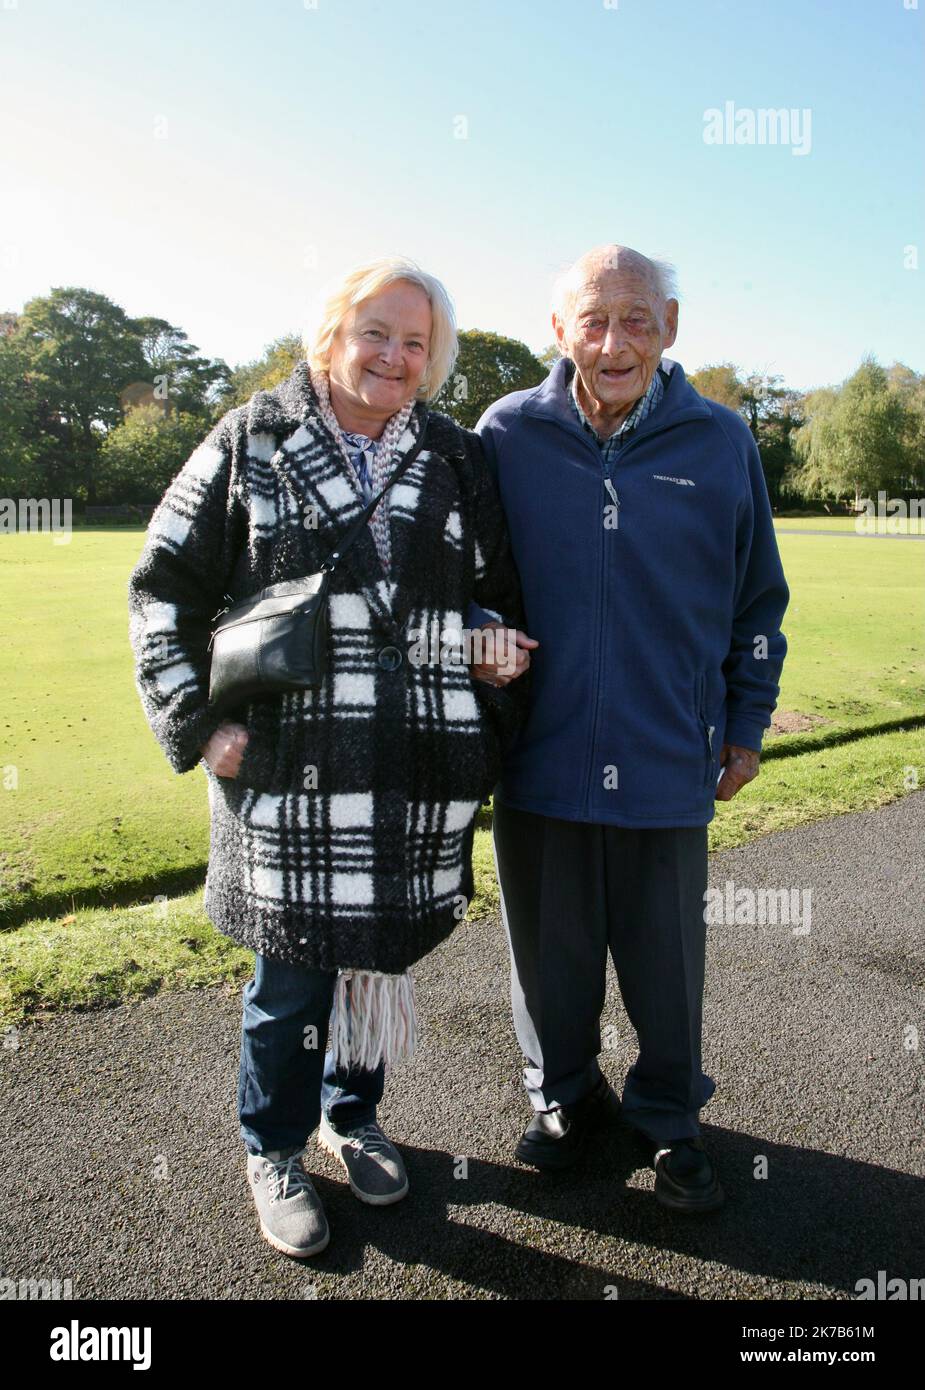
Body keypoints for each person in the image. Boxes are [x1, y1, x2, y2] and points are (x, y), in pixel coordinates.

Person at [128, 256, 530, 1257]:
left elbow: (494, 591)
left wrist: (492, 644)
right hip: (288, 771)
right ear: (332, 335)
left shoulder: (453, 455)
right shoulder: (252, 436)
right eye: (376, 333)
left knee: (376, 960)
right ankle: (272, 1145)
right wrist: (197, 722)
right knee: (292, 980)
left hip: (413, 764)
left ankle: (351, 1117)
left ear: (432, 358)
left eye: (415, 341)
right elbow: (161, 588)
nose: (394, 355)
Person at [474, 243, 790, 1213]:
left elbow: (759, 602)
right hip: (539, 757)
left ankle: (667, 1115)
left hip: (666, 756)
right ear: (559, 329)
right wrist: (482, 639)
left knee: (665, 964)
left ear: (670, 328)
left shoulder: (720, 440)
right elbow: (473, 587)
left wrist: (745, 721)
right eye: (594, 319)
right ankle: (564, 1098)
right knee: (549, 961)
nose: (614, 342)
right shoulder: (503, 433)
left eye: (637, 320)